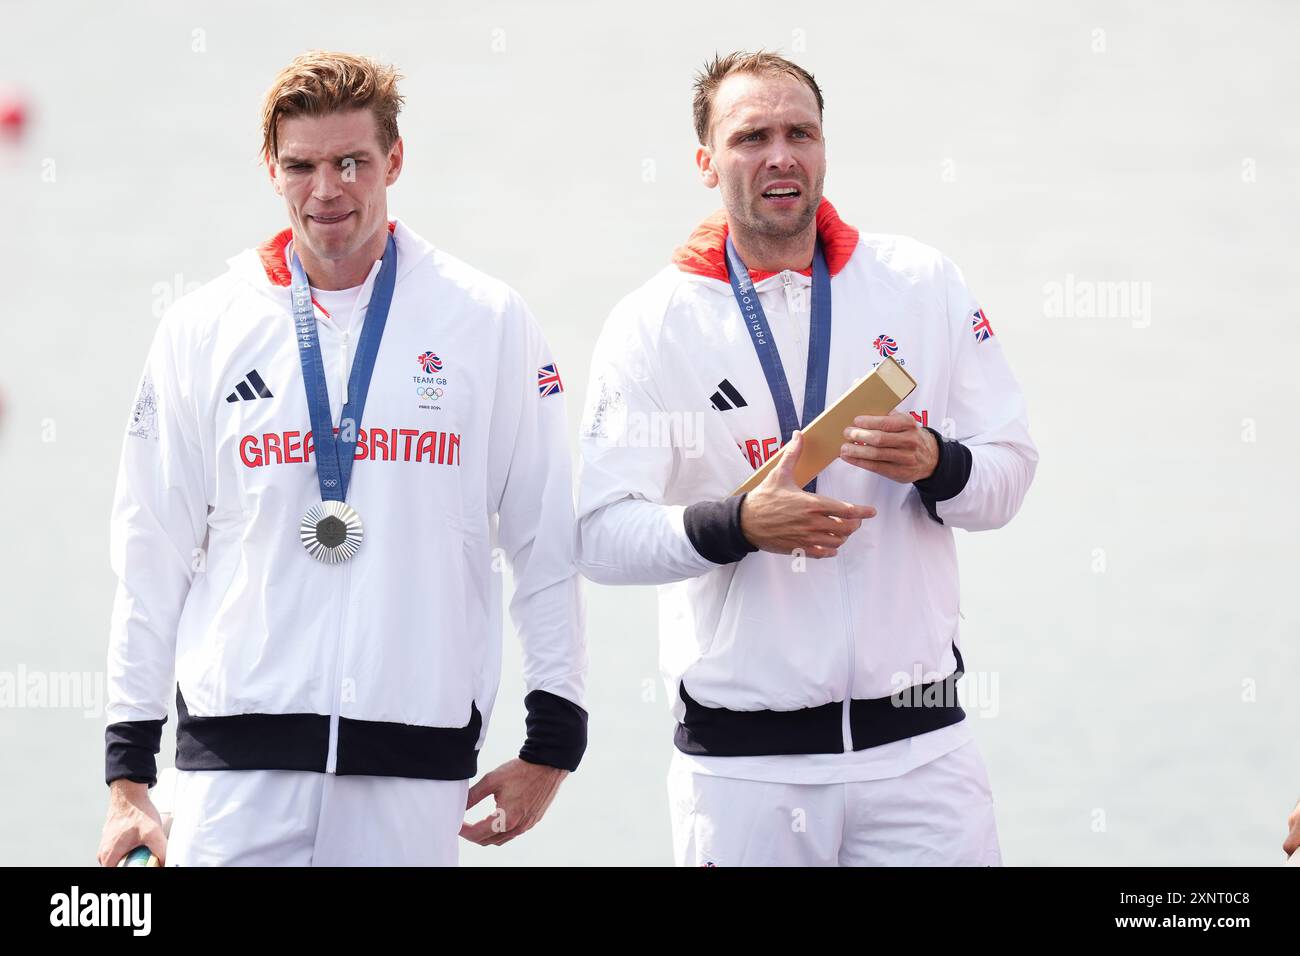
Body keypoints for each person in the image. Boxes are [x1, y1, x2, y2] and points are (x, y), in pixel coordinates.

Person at [96, 51, 586, 867]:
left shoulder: (485, 320)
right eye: (303, 166)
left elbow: (543, 539)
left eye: (352, 162)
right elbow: (150, 548)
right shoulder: (202, 327)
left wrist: (554, 737)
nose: (328, 190)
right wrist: (127, 774)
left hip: (413, 765)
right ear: (271, 169)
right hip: (235, 769)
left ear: (394, 159)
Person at [575, 50, 1037, 866]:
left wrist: (938, 464)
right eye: (751, 137)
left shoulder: (920, 282)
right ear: (705, 161)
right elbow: (601, 538)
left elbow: (1009, 477)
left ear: (824, 147)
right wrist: (739, 525)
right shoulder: (652, 324)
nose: (780, 156)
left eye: (801, 133)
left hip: (922, 756)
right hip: (748, 773)